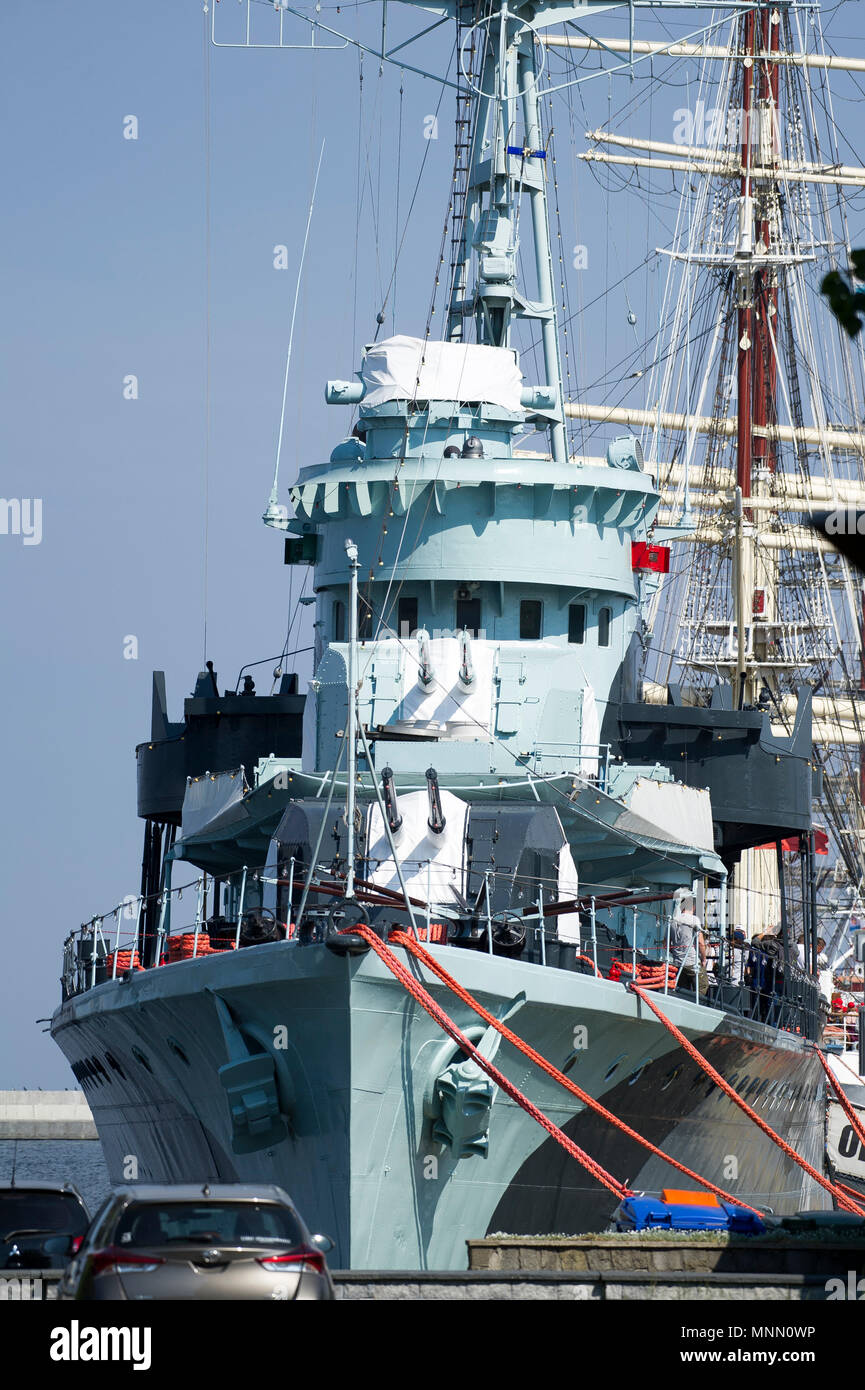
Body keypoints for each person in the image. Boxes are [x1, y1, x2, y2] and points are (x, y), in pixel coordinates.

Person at [669, 890, 708, 996]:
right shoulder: (694, 920)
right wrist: (704, 959)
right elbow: (701, 943)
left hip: (677, 962)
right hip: (691, 961)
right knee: (703, 986)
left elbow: (666, 944)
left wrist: (676, 953)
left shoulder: (672, 921)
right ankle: (696, 1007)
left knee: (683, 989)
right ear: (693, 907)